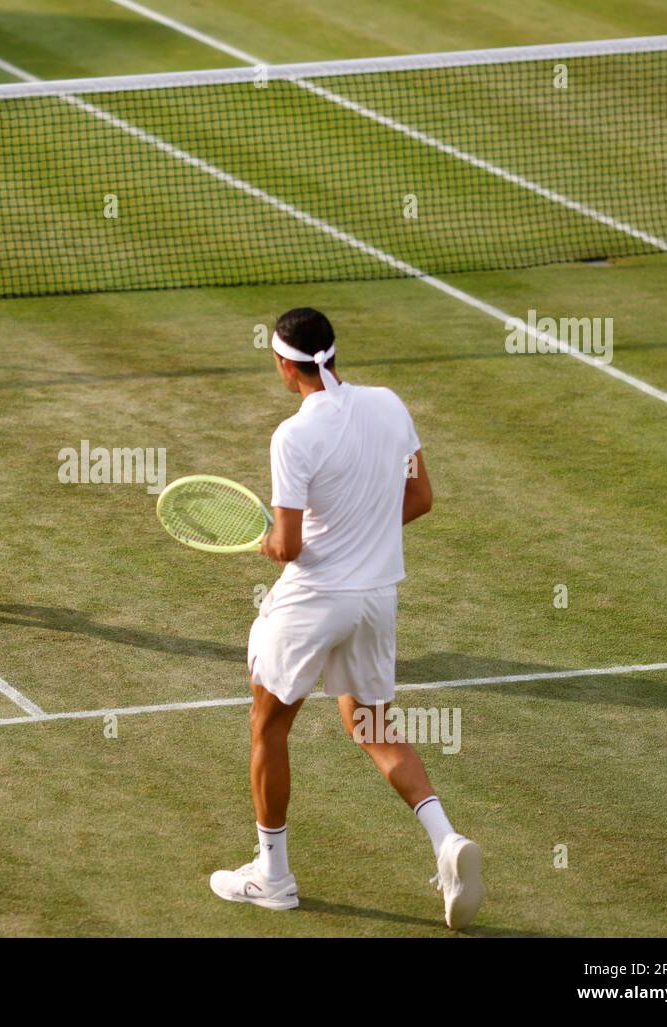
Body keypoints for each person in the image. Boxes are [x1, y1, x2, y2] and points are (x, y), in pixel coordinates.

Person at [209, 307, 484, 929]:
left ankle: (273, 876)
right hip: (376, 598)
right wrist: (360, 534)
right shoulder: (390, 403)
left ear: (285, 364)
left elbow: (288, 545)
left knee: (267, 728)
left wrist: (268, 545)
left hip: (313, 601)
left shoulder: (293, 436)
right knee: (372, 726)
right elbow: (420, 498)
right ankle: (445, 841)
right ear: (332, 355)